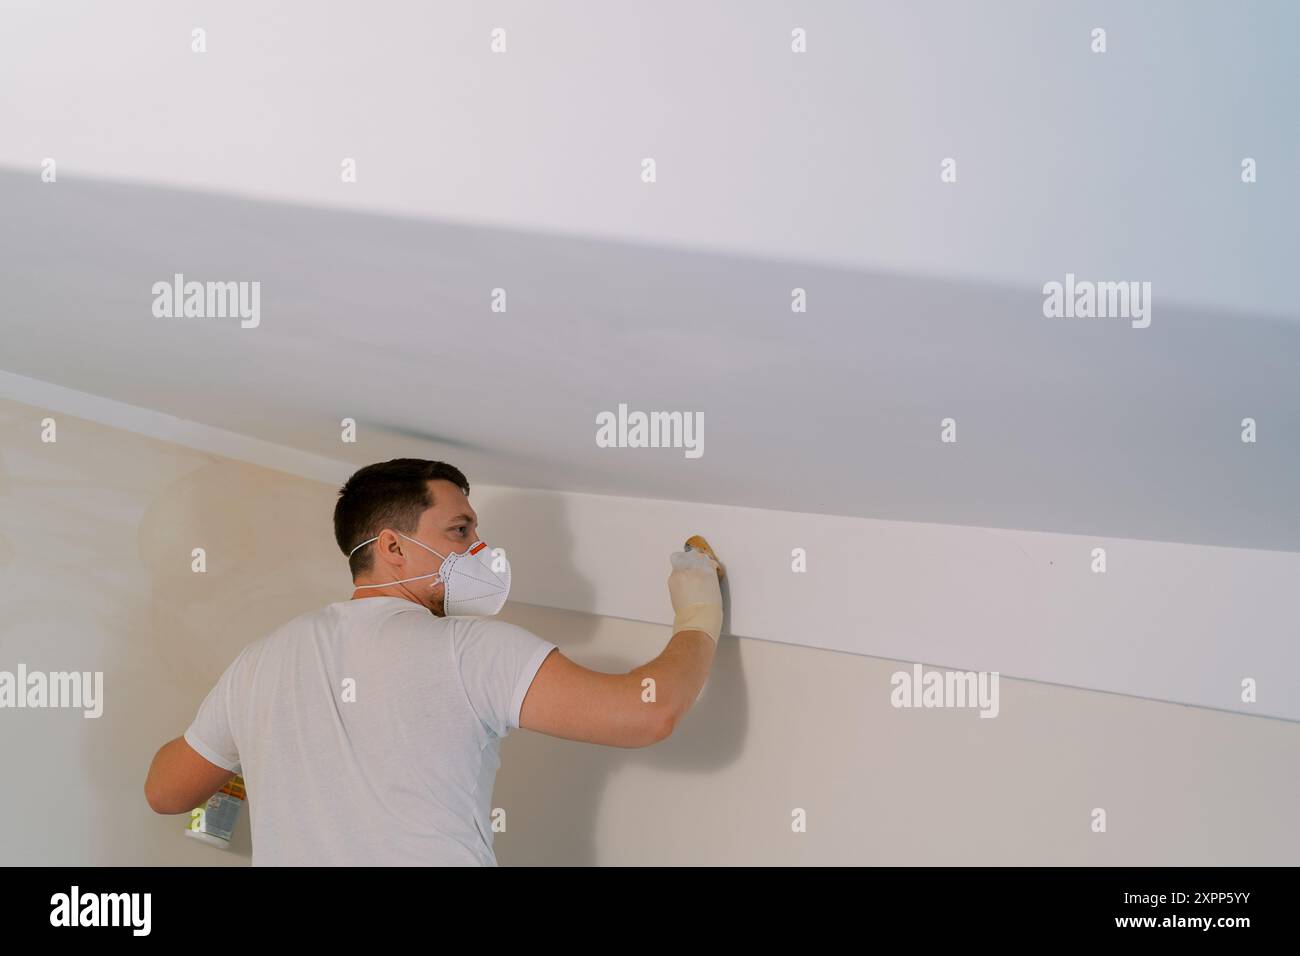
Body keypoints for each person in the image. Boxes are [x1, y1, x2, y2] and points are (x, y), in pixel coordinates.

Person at [143, 458, 723, 865]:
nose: (480, 551)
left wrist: (253, 742)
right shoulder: (470, 649)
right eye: (460, 529)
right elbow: (649, 712)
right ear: (394, 547)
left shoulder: (260, 662)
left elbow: (165, 792)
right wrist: (698, 611)